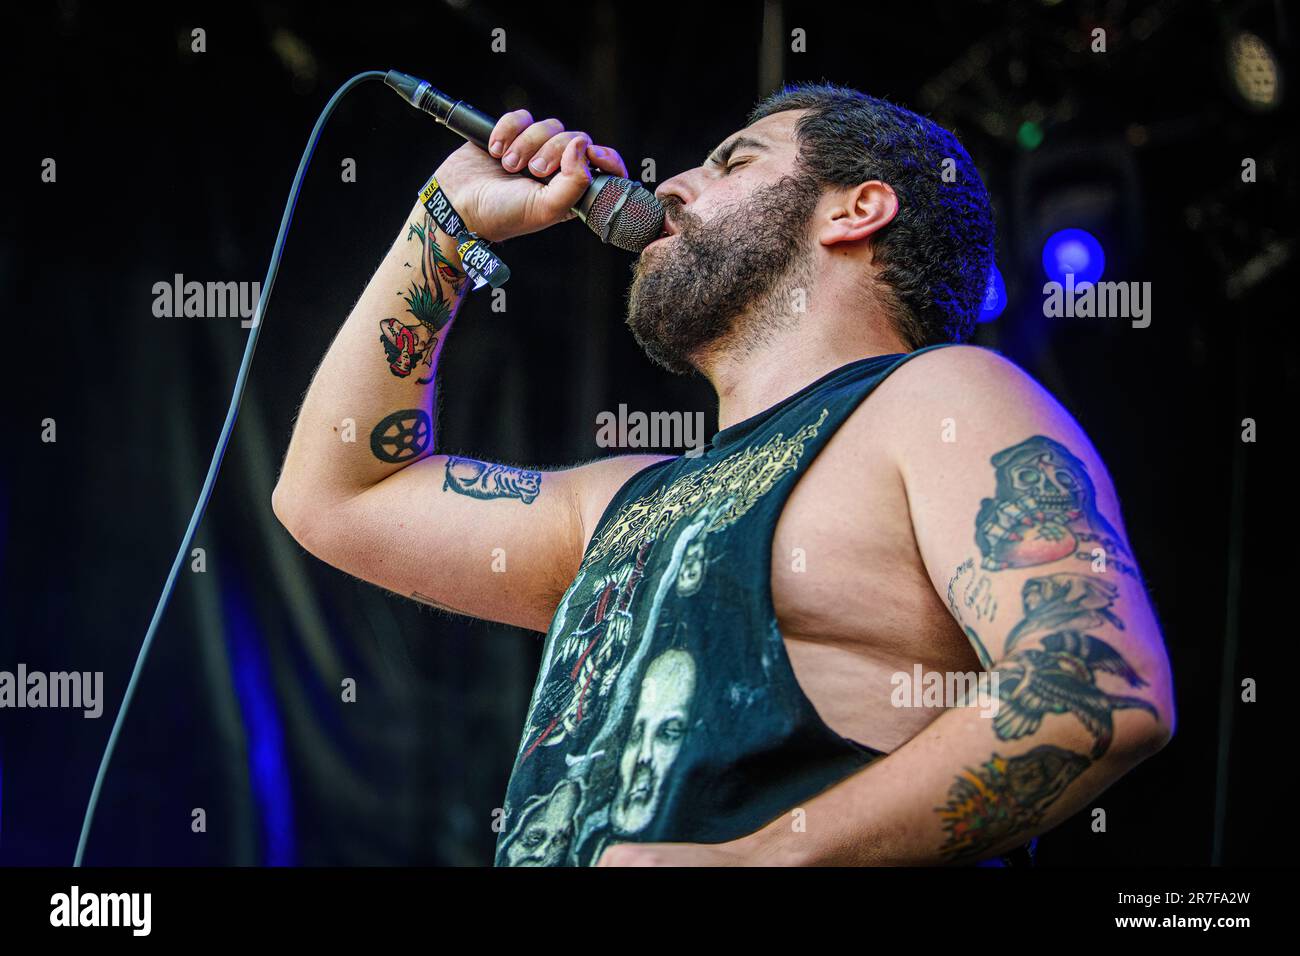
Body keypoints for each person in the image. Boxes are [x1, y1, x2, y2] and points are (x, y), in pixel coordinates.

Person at [272, 82, 1174, 866]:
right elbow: (338, 497)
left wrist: (763, 859)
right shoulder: (620, 503)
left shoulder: (941, 398)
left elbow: (1094, 682)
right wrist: (442, 222)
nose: (668, 186)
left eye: (732, 161)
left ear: (855, 210)